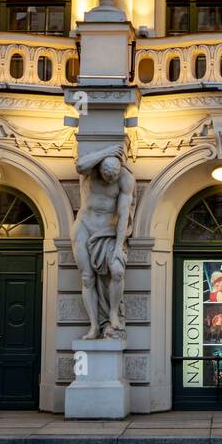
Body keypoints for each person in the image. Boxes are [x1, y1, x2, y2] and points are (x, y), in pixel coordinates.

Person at [72, 142, 136, 339]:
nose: (110, 181)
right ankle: (94, 327)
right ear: (100, 169)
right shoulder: (89, 170)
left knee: (117, 271)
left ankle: (113, 314)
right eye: (107, 177)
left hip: (108, 229)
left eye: (113, 178)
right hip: (84, 226)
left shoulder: (125, 178)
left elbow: (124, 214)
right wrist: (106, 151)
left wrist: (118, 247)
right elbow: (80, 166)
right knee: (87, 278)